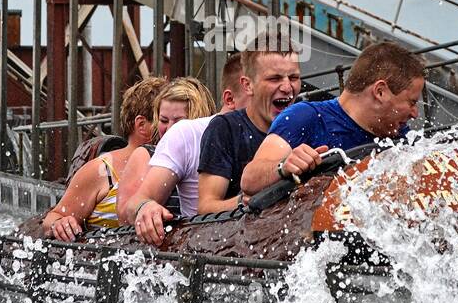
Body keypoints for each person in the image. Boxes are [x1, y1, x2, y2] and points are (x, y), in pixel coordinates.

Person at [240, 42, 425, 196]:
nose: (415, 113)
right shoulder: (306, 117)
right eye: (412, 102)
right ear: (380, 91)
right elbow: (249, 179)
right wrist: (283, 167)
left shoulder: (401, 136)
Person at [119, 59, 248, 245]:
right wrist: (145, 207)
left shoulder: (282, 130)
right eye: (163, 120)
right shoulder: (181, 136)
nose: (169, 128)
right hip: (203, 245)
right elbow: (129, 211)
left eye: (177, 120)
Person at [36, 76, 168, 241]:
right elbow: (52, 217)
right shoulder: (101, 171)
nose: (176, 129)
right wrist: (60, 223)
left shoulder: (175, 165)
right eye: (165, 120)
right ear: (141, 125)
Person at [196, 48, 302, 214]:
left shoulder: (307, 122)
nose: (288, 88)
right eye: (275, 78)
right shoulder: (225, 129)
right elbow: (206, 207)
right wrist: (246, 201)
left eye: (294, 77)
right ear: (248, 85)